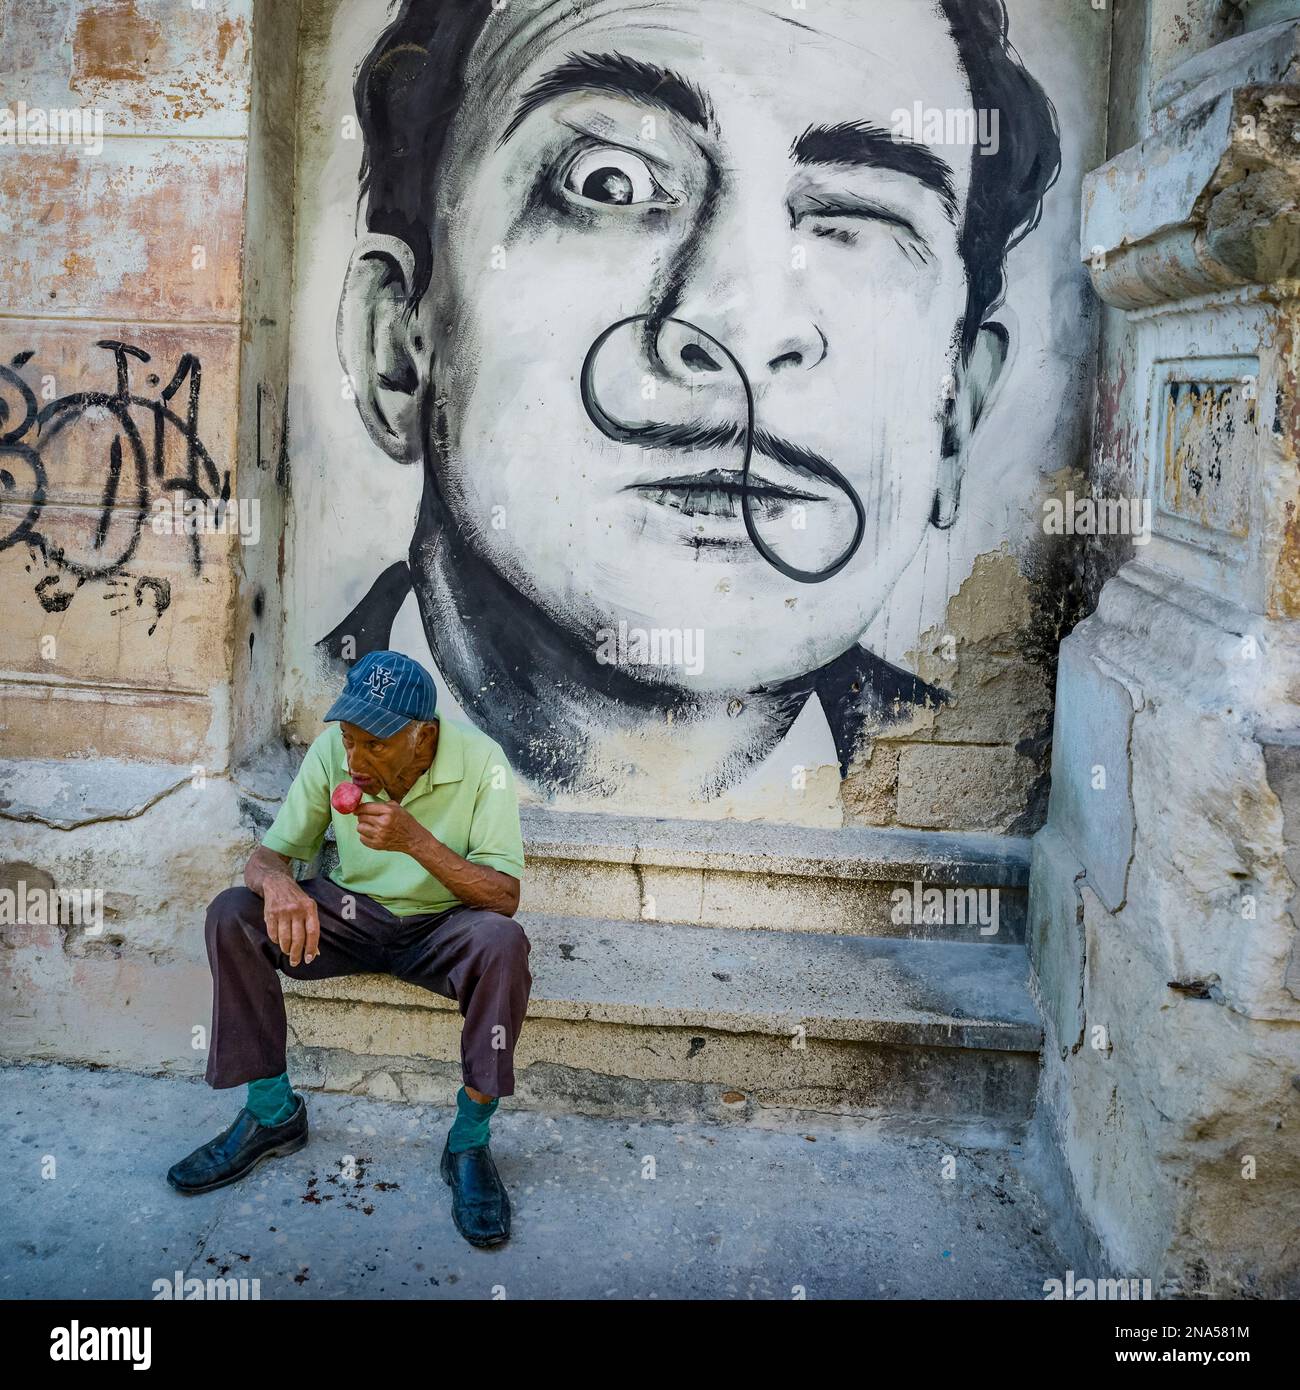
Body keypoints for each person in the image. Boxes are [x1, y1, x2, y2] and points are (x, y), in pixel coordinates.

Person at [323, 0, 1061, 802]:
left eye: (857, 218)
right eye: (610, 182)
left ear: (955, 417)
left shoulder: (968, 787)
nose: (743, 324)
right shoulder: (296, 724)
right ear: (396, 347)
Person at [167, 651, 530, 1248]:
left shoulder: (482, 761)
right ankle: (271, 1113)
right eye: (349, 740)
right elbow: (269, 855)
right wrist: (278, 881)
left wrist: (418, 843)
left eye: (375, 746)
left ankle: (468, 1142)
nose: (355, 761)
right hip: (350, 918)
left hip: (441, 929)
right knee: (233, 914)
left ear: (424, 735)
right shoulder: (336, 753)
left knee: (503, 942)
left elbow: (504, 896)